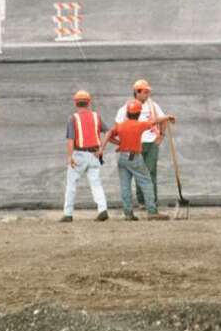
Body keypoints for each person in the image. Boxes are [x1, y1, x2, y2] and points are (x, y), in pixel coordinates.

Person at [107, 99, 175, 220]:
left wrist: (119, 143)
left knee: (125, 185)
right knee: (146, 181)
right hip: (134, 157)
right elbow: (154, 121)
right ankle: (152, 211)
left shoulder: (120, 125)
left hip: (122, 157)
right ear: (139, 114)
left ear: (127, 113)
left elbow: (109, 135)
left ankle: (128, 214)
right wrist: (167, 117)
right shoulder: (139, 125)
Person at [115, 80, 165, 207]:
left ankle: (152, 201)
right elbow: (118, 126)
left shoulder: (153, 106)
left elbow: (162, 119)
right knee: (139, 173)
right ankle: (142, 201)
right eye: (145, 92)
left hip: (151, 143)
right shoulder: (126, 108)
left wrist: (161, 136)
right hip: (135, 145)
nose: (147, 95)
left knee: (150, 171)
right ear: (137, 92)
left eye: (148, 92)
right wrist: (122, 142)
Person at [62, 90, 110, 223]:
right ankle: (102, 209)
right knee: (96, 184)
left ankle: (68, 214)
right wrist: (101, 148)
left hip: (79, 155)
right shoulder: (96, 116)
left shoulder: (73, 118)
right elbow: (108, 132)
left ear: (76, 103)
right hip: (94, 155)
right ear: (89, 102)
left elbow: (70, 140)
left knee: (71, 184)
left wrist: (69, 156)